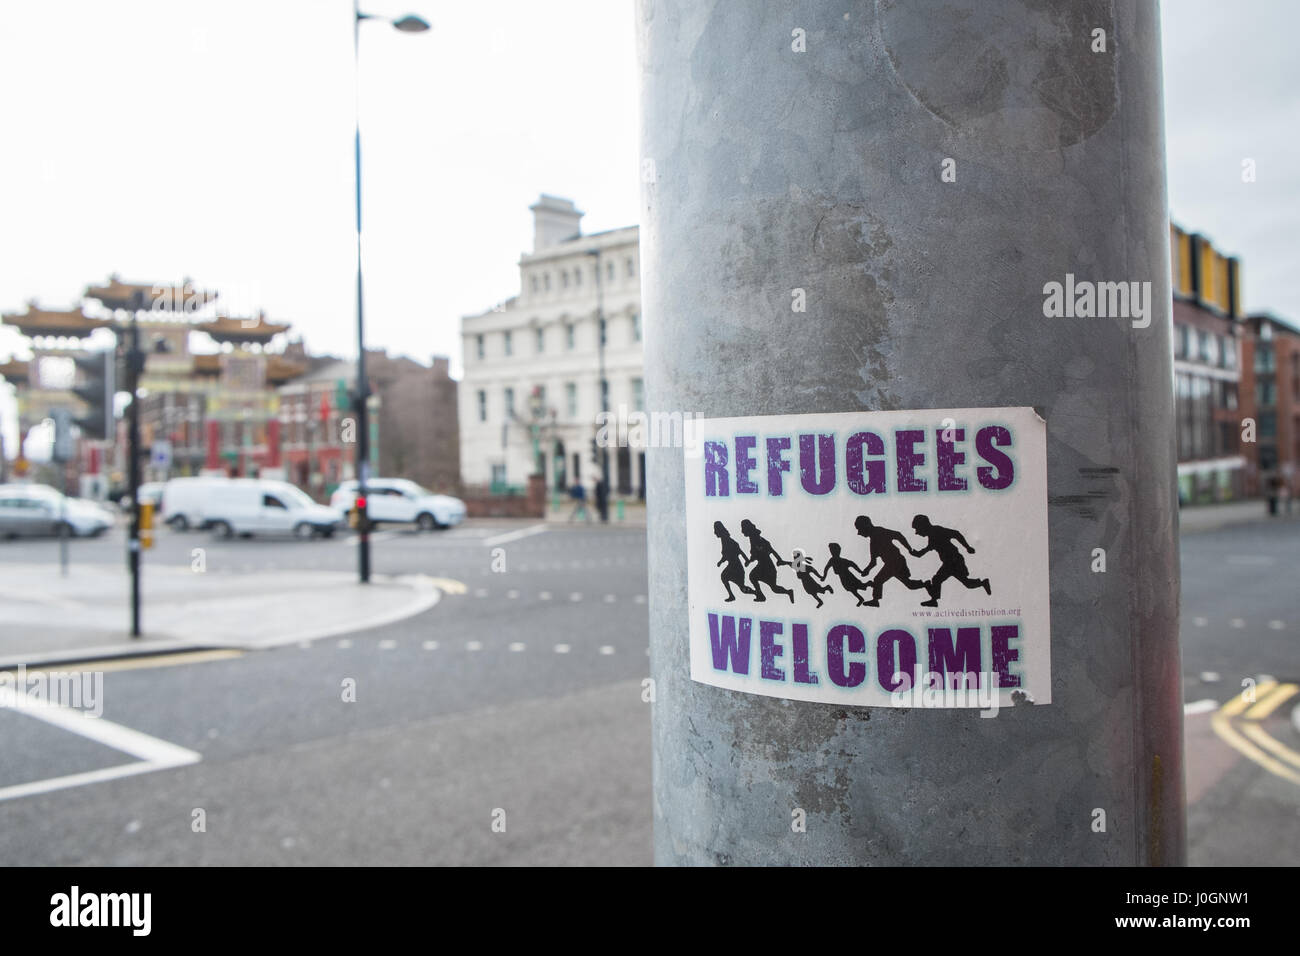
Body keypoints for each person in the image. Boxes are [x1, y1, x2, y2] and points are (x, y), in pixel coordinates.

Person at [909, 514, 990, 608]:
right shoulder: (932, 536)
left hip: (953, 561)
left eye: (917, 529)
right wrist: (917, 554)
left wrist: (967, 547)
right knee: (965, 582)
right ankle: (982, 583)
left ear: (923, 526)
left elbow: (956, 534)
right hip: (951, 562)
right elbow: (927, 549)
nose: (917, 533)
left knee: (937, 580)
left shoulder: (937, 531)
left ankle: (933, 599)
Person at [854, 515, 928, 607]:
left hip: (895, 562)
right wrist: (867, 570)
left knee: (878, 580)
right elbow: (874, 562)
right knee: (909, 585)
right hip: (895, 563)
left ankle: (875, 600)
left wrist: (909, 548)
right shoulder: (873, 541)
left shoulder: (879, 532)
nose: (859, 533)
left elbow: (898, 535)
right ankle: (927, 584)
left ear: (866, 526)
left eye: (859, 529)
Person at [739, 518, 795, 603]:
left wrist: (780, 560)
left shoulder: (756, 539)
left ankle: (763, 595)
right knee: (772, 587)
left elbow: (763, 552)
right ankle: (786, 592)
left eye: (743, 528)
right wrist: (779, 560)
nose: (742, 531)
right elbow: (767, 551)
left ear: (747, 529)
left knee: (771, 586)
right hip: (765, 566)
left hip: (767, 567)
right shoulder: (755, 539)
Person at [713, 521, 755, 602]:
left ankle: (756, 593)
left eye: (716, 530)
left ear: (719, 530)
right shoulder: (724, 541)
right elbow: (726, 555)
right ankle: (732, 596)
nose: (715, 533)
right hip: (732, 566)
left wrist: (747, 561)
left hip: (736, 568)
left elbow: (740, 552)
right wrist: (721, 562)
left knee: (742, 588)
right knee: (724, 577)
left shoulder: (729, 541)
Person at [821, 542, 870, 607]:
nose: (832, 552)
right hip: (842, 578)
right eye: (831, 550)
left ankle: (869, 583)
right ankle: (860, 598)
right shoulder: (832, 560)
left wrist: (860, 571)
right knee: (851, 589)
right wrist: (824, 576)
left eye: (833, 550)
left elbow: (852, 564)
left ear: (838, 551)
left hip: (849, 576)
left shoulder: (841, 560)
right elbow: (826, 568)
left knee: (860, 586)